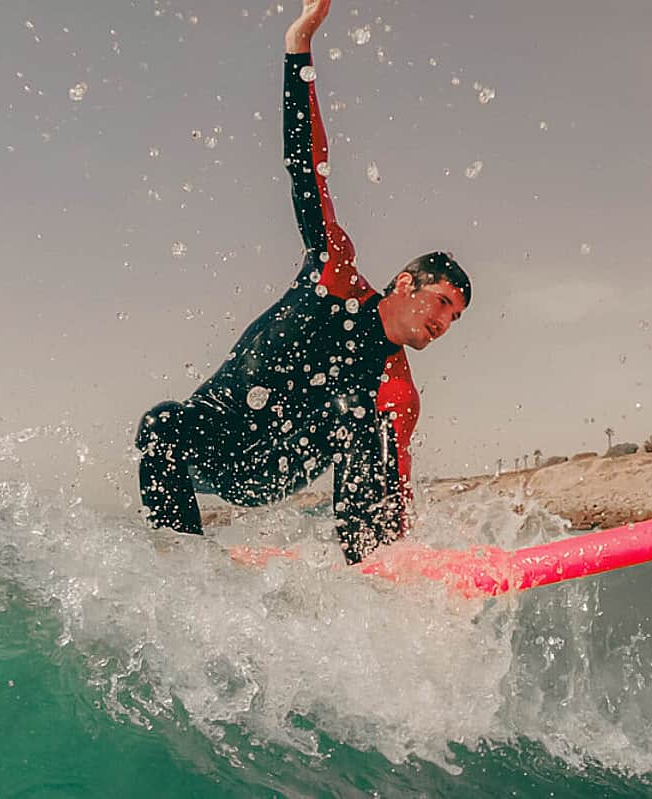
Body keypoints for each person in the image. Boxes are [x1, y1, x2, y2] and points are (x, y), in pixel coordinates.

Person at [135, 0, 471, 564]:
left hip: (276, 468)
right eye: (441, 302)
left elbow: (395, 479)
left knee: (363, 415)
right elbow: (305, 166)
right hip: (221, 434)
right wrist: (299, 47)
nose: (442, 322)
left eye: (454, 317)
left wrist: (409, 557)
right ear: (406, 284)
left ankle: (374, 567)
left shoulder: (397, 386)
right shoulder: (336, 275)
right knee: (160, 422)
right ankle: (181, 568)